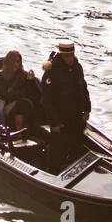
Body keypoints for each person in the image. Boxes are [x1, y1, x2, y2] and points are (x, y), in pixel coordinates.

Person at [41, 40, 91, 173]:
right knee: (58, 148)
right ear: (62, 56)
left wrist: (87, 109)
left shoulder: (77, 68)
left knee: (77, 143)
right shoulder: (51, 72)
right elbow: (47, 100)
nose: (70, 59)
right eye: (67, 57)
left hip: (75, 114)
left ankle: (76, 169)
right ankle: (53, 171)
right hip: (59, 116)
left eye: (71, 56)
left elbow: (83, 89)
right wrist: (54, 122)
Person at [0, 50, 40, 132]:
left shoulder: (24, 76)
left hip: (16, 102)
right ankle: (4, 132)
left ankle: (20, 131)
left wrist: (31, 81)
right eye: (13, 61)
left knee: (23, 104)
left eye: (18, 62)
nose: (16, 64)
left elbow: (33, 94)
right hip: (0, 102)